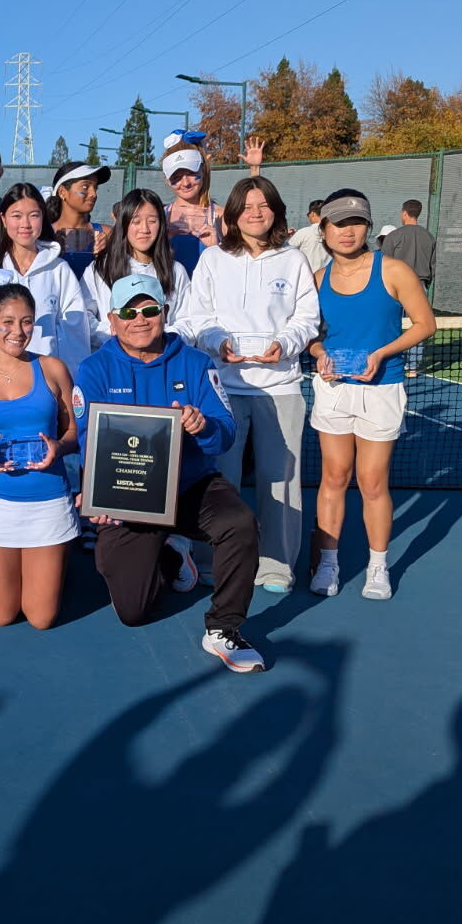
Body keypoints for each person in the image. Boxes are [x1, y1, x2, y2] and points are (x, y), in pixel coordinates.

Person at [74, 274, 264, 672]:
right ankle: (171, 555)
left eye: (149, 310)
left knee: (239, 522)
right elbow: (91, 440)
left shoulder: (196, 363)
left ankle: (224, 627)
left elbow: (226, 432)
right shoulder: (93, 369)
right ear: (112, 320)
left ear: (164, 312)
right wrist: (97, 494)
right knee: (133, 611)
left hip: (190, 485)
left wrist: (202, 425)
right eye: (129, 313)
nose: (139, 320)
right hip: (129, 495)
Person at [175, 175, 320, 595]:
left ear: (275, 211)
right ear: (234, 215)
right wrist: (218, 343)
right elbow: (198, 317)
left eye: (264, 205)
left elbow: (307, 318)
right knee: (220, 480)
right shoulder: (212, 259)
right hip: (223, 387)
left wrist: (285, 344)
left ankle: (277, 565)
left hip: (281, 386)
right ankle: (212, 559)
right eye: (247, 206)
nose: (256, 213)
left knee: (281, 479)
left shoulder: (293, 259)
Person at [307, 190, 436, 602]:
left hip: (382, 389)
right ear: (324, 230)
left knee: (372, 481)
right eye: (338, 224)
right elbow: (311, 336)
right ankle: (328, 563)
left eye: (356, 223)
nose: (348, 232)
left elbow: (425, 324)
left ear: (367, 227)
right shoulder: (317, 279)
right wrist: (320, 353)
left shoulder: (394, 270)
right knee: (333, 477)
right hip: (333, 389)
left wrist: (380, 354)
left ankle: (378, 567)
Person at [0, 283, 78, 629]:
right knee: (2, 615)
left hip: (49, 505)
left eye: (26, 322)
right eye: (7, 322)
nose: (18, 332)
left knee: (41, 618)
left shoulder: (54, 369)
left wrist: (59, 447)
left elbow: (74, 433)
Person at [0, 183, 90, 375]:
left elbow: (76, 332)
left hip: (45, 377)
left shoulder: (59, 269)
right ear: (3, 219)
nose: (25, 224)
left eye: (34, 215)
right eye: (16, 216)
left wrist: (71, 378)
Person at [83, 188, 191, 345]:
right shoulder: (101, 268)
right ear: (124, 224)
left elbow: (187, 320)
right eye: (136, 221)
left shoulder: (175, 271)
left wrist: (159, 339)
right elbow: (83, 316)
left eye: (152, 221)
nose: (144, 229)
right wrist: (116, 336)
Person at [380, 199, 436, 376]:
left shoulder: (394, 236)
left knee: (391, 324)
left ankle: (393, 362)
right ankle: (413, 367)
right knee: (418, 325)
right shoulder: (429, 237)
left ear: (404, 213)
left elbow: (383, 264)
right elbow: (432, 266)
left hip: (395, 286)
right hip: (420, 286)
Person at [160, 130, 224, 250]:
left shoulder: (221, 216)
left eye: (191, 173)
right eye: (176, 178)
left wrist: (215, 249)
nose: (186, 183)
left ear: (203, 170)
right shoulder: (159, 218)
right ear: (167, 180)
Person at [47, 161, 107, 277]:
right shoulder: (42, 235)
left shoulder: (107, 234)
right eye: (85, 187)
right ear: (62, 192)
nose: (93, 194)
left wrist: (110, 252)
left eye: (95, 188)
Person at [287, 199, 330, 275]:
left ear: (312, 214)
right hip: (326, 276)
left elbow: (286, 251)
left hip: (307, 276)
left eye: (308, 214)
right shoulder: (332, 233)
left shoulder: (303, 232)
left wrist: (284, 236)